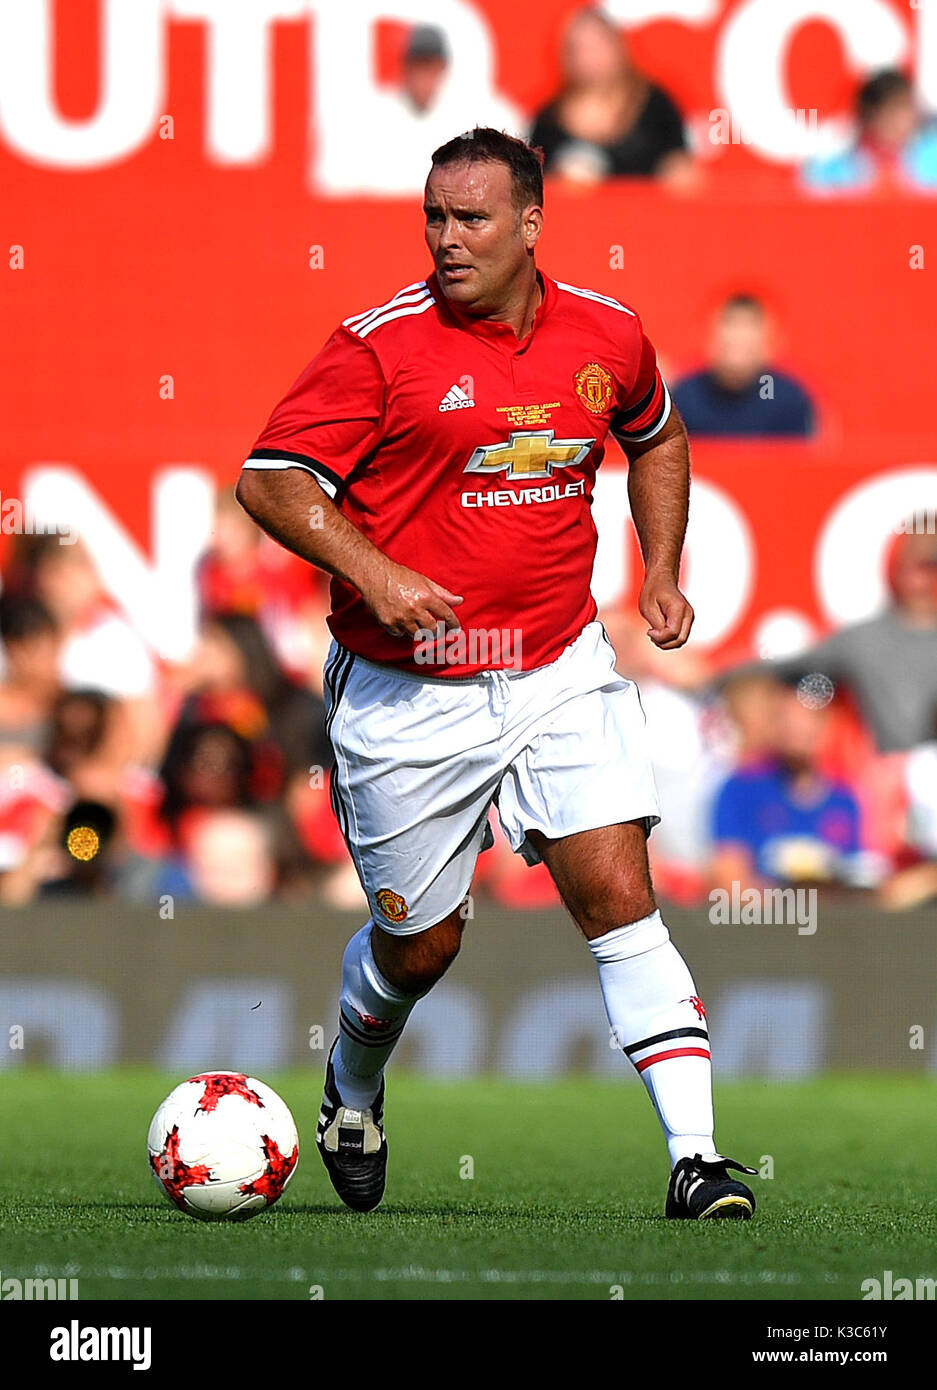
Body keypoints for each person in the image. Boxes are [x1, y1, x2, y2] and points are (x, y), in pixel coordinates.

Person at [237, 126, 757, 1221]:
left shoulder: (607, 333)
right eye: (432, 216)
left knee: (617, 893)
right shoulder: (379, 346)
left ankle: (698, 1158)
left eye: (469, 217)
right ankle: (353, 1085)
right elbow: (271, 481)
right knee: (422, 944)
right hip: (405, 693)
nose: (445, 238)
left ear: (531, 223)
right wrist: (373, 572)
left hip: (559, 664)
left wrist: (659, 566)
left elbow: (655, 438)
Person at [755, 521, 937, 753]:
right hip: (885, 777)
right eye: (908, 561)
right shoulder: (865, 641)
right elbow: (786, 665)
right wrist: (713, 675)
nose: (916, 575)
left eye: (927, 564)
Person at [711, 681, 867, 890]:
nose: (798, 731)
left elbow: (856, 878)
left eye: (808, 719)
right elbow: (731, 882)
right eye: (787, 719)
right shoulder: (739, 790)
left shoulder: (845, 800)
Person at [529, 6, 690, 185]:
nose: (590, 57)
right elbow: (532, 188)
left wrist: (676, 171)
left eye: (598, 45)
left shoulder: (656, 107)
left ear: (618, 45)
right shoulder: (548, 121)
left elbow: (682, 166)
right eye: (579, 48)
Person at [673, 294, 816, 438]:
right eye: (730, 323)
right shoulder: (685, 396)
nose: (737, 337)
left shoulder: (787, 399)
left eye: (749, 326)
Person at [803, 69, 937, 195]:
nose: (905, 117)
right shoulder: (839, 167)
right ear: (871, 114)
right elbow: (811, 182)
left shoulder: (929, 159)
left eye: (907, 107)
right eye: (893, 109)